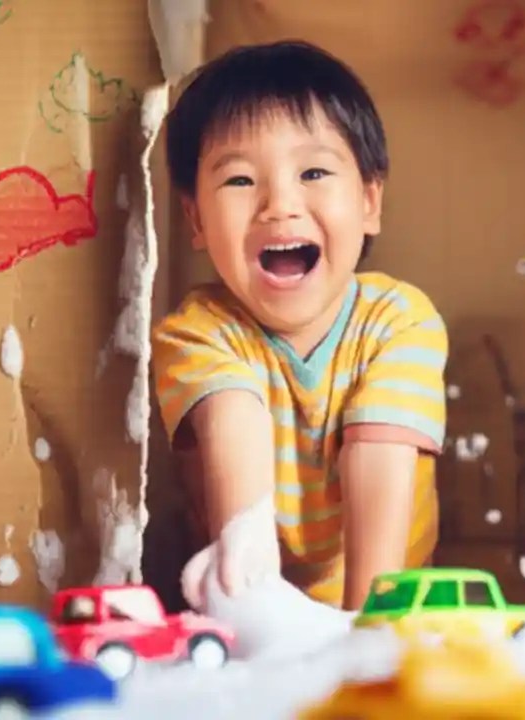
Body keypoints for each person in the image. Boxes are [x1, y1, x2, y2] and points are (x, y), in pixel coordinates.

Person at [152, 41, 448, 612]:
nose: (278, 205)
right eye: (239, 180)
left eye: (312, 172)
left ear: (368, 201)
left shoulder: (399, 320)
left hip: (395, 604)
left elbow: (377, 453)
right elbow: (234, 437)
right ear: (194, 217)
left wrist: (367, 630)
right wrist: (260, 613)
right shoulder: (195, 333)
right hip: (258, 610)